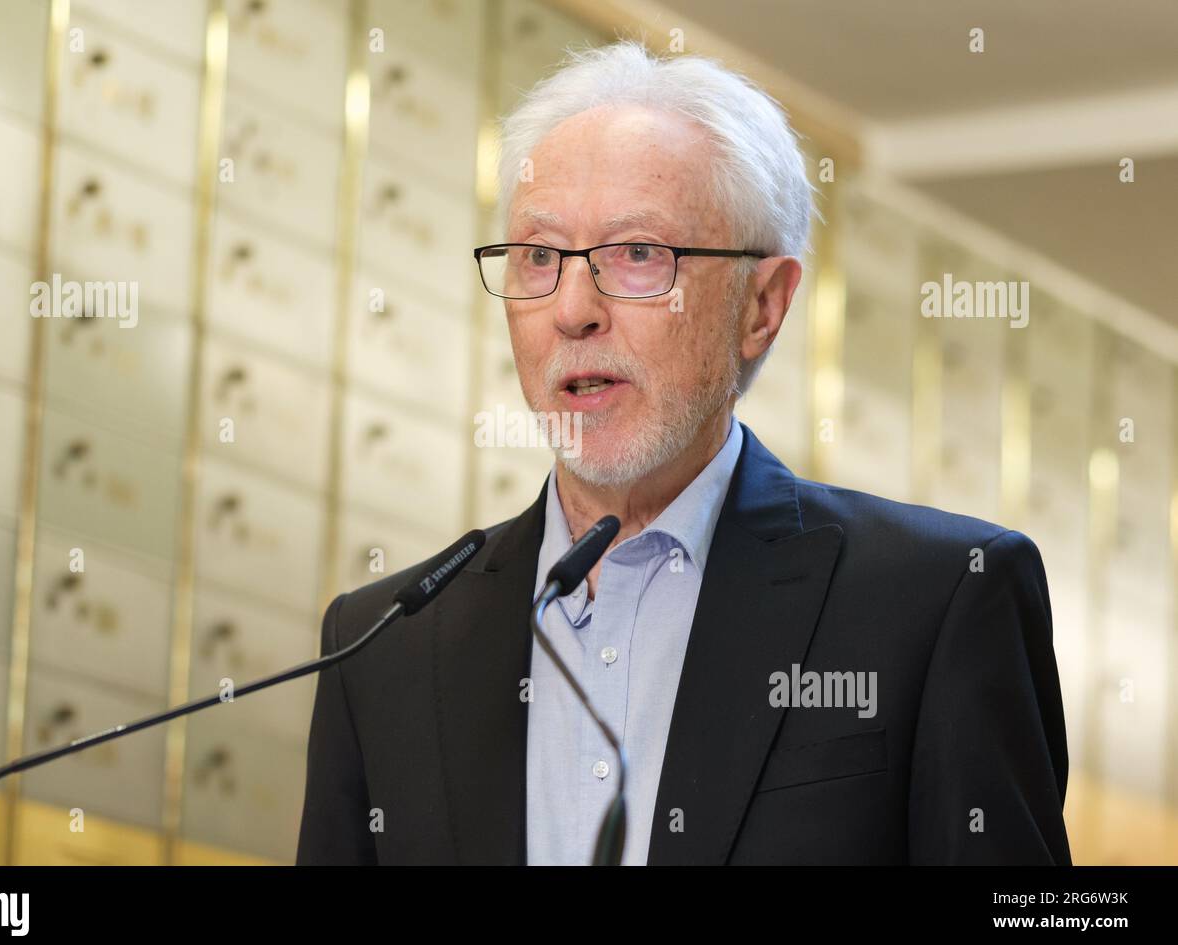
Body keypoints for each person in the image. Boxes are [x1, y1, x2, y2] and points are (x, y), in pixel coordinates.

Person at [297, 41, 1071, 865]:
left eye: (637, 254)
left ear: (762, 306)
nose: (573, 310)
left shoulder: (942, 599)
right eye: (539, 257)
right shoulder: (382, 645)